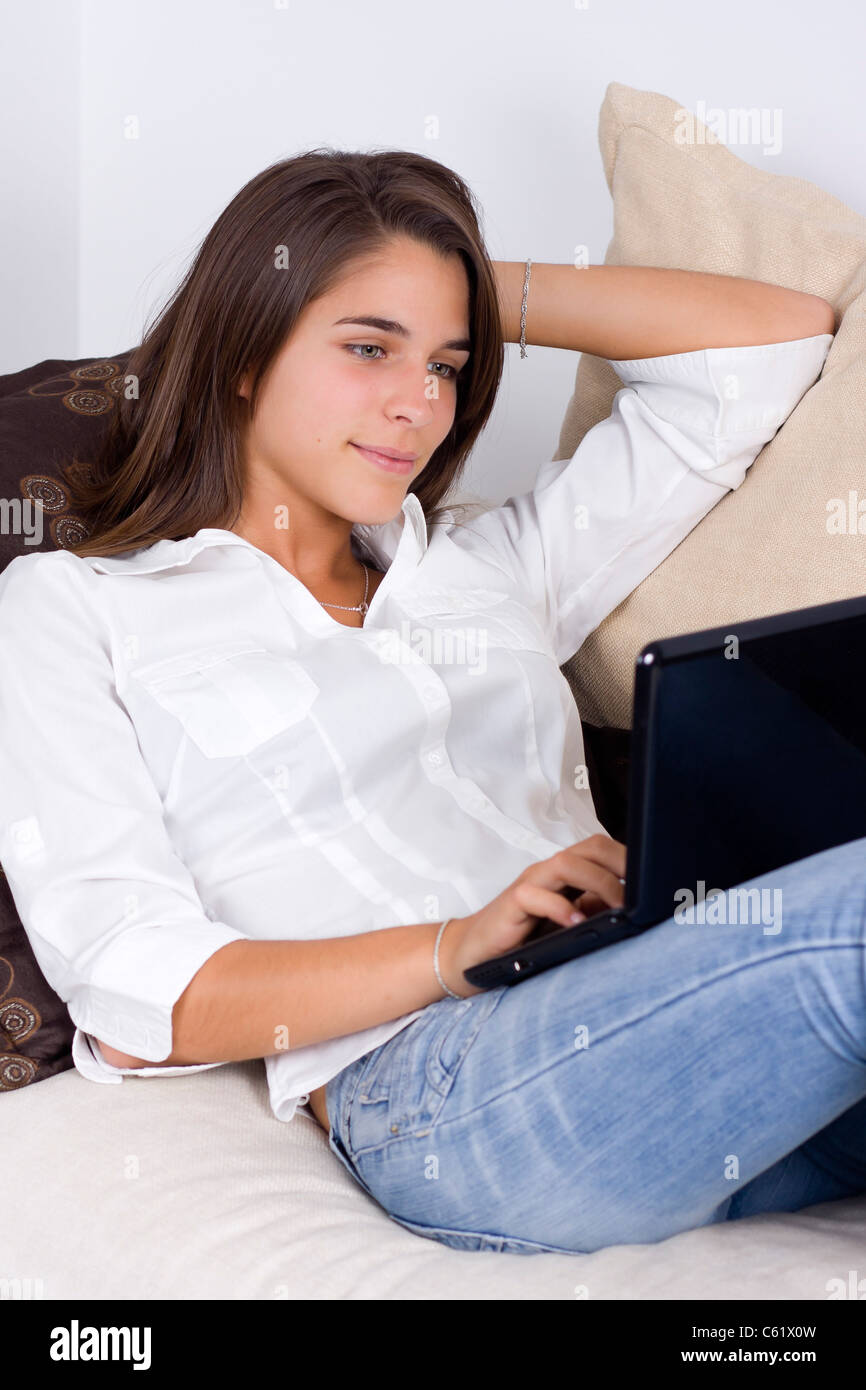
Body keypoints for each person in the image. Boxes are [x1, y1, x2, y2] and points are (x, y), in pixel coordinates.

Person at [1, 148, 860, 1257]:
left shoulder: (485, 567)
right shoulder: (76, 606)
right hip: (445, 1091)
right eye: (367, 347)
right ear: (242, 349)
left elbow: (768, 349)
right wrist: (457, 944)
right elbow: (132, 989)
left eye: (448, 364)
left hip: (680, 1044)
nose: (419, 404)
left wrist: (453, 282)